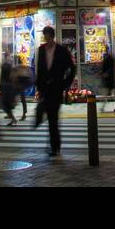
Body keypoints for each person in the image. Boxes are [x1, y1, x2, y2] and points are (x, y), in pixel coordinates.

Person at [33, 26, 75, 157]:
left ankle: (55, 146)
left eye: (48, 36)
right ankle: (54, 144)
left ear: (52, 36)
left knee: (53, 119)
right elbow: (39, 71)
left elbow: (72, 68)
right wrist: (39, 89)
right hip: (45, 90)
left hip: (56, 89)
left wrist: (65, 84)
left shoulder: (61, 51)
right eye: (45, 36)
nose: (46, 38)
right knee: (50, 117)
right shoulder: (40, 50)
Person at [100, 48, 115, 113]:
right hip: (110, 80)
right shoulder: (110, 59)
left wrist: (105, 73)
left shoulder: (108, 59)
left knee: (107, 95)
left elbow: (108, 68)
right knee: (113, 95)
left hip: (109, 80)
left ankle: (103, 107)